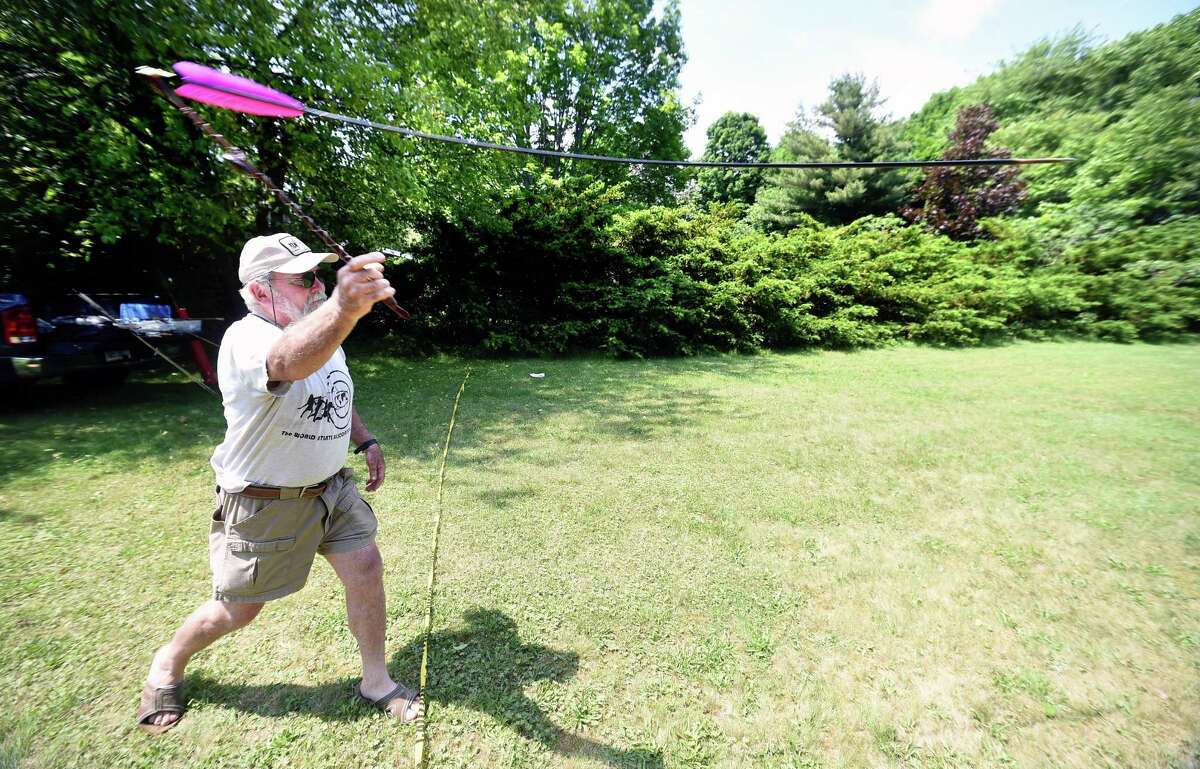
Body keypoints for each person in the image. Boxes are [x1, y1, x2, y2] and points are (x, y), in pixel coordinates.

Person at [136, 233, 421, 733]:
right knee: (239, 610)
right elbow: (290, 364)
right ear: (262, 290)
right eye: (303, 278)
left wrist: (365, 439)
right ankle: (167, 663)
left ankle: (375, 681)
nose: (314, 286)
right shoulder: (248, 339)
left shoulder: (319, 331)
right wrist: (342, 308)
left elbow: (331, 388)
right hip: (267, 501)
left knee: (366, 567)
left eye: (318, 276)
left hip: (332, 487)